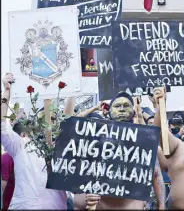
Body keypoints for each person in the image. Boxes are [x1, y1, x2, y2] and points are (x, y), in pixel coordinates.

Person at [82, 91, 166, 210]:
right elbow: (82, 172)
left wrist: (161, 204)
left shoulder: (144, 138)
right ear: (109, 111)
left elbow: (156, 174)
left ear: (133, 111)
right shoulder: (97, 139)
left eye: (126, 106)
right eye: (117, 106)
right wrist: (87, 191)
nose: (121, 109)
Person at [1, 73, 68, 209]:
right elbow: (2, 128)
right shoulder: (22, 145)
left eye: (53, 120)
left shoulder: (66, 150)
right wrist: (6, 94)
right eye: (44, 119)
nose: (49, 124)